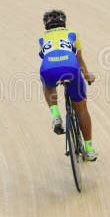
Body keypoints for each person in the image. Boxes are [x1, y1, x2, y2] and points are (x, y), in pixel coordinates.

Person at [38, 9, 98, 161]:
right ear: (64, 22)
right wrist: (87, 76)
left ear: (46, 26)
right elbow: (79, 59)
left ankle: (56, 114)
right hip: (71, 68)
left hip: (49, 69)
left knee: (48, 84)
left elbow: (46, 57)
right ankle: (89, 149)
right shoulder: (72, 34)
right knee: (82, 108)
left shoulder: (41, 39)